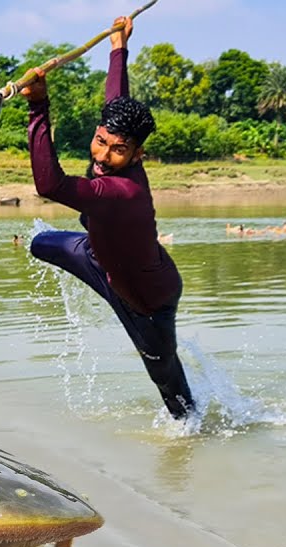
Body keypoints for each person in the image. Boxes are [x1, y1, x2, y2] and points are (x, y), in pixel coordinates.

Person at [22, 16, 194, 419]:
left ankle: (194, 435)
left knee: (170, 389)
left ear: (137, 156)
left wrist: (38, 106)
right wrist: (118, 46)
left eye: (117, 150)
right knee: (38, 244)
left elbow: (50, 187)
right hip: (96, 257)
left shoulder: (121, 191)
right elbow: (116, 99)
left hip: (148, 301)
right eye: (100, 141)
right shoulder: (109, 155)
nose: (101, 156)